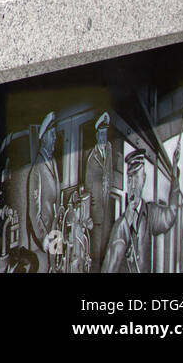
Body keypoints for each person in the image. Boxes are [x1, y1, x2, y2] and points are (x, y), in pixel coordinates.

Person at [103, 148, 180, 273]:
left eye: (136, 179)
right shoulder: (120, 225)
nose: (132, 186)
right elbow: (109, 268)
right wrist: (125, 225)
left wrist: (175, 176)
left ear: (143, 179)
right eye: (129, 179)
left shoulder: (151, 213)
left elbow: (170, 215)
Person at [27, 112, 61, 269]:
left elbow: (57, 196)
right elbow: (34, 210)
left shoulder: (52, 162)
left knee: (57, 267)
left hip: (56, 229)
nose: (55, 138)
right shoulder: (37, 169)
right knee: (47, 268)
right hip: (45, 235)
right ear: (44, 137)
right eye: (52, 135)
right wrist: (43, 237)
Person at [85, 112, 113, 272]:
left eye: (105, 133)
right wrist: (89, 215)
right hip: (96, 214)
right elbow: (88, 189)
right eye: (101, 134)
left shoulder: (109, 149)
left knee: (106, 250)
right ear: (97, 135)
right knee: (95, 254)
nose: (103, 137)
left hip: (107, 210)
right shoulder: (91, 158)